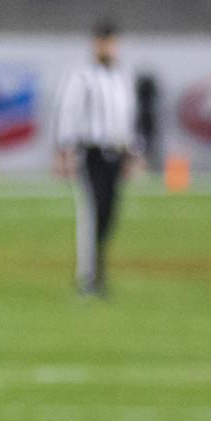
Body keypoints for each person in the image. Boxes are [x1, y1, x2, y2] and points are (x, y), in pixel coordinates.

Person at [54, 21, 139, 296]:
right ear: (96, 44)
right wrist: (64, 150)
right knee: (91, 213)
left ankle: (99, 271)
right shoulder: (81, 75)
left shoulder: (121, 75)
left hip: (115, 151)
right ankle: (89, 278)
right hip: (90, 152)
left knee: (108, 214)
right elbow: (68, 111)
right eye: (104, 42)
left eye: (112, 42)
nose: (109, 47)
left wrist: (132, 152)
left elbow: (126, 117)